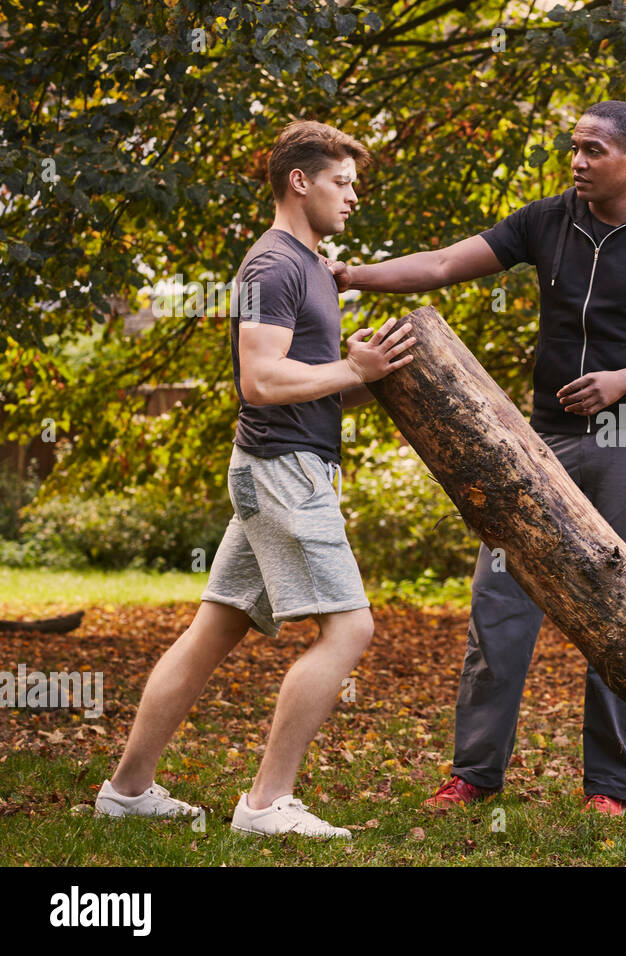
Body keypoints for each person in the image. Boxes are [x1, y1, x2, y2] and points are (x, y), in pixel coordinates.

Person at [330, 100, 626, 816]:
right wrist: (357, 275)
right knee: (500, 603)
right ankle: (474, 774)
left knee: (625, 616)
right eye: (574, 147)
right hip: (540, 446)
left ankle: (609, 788)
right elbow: (447, 263)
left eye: (594, 150)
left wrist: (625, 380)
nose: (578, 160)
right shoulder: (546, 220)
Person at [95, 120, 417, 838]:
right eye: (343, 181)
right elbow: (261, 379)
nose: (353, 196)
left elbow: (310, 381)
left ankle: (127, 789)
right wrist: (349, 369)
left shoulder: (312, 267)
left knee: (216, 628)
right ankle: (267, 803)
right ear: (299, 181)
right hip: (282, 470)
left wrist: (370, 373)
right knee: (350, 628)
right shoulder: (270, 267)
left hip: (279, 467)